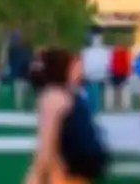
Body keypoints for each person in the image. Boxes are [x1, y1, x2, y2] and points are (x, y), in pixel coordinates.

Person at [24, 48, 108, 184]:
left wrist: (36, 174)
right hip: (85, 160)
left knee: (48, 162)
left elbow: (46, 148)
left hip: (75, 162)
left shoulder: (53, 96)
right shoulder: (72, 94)